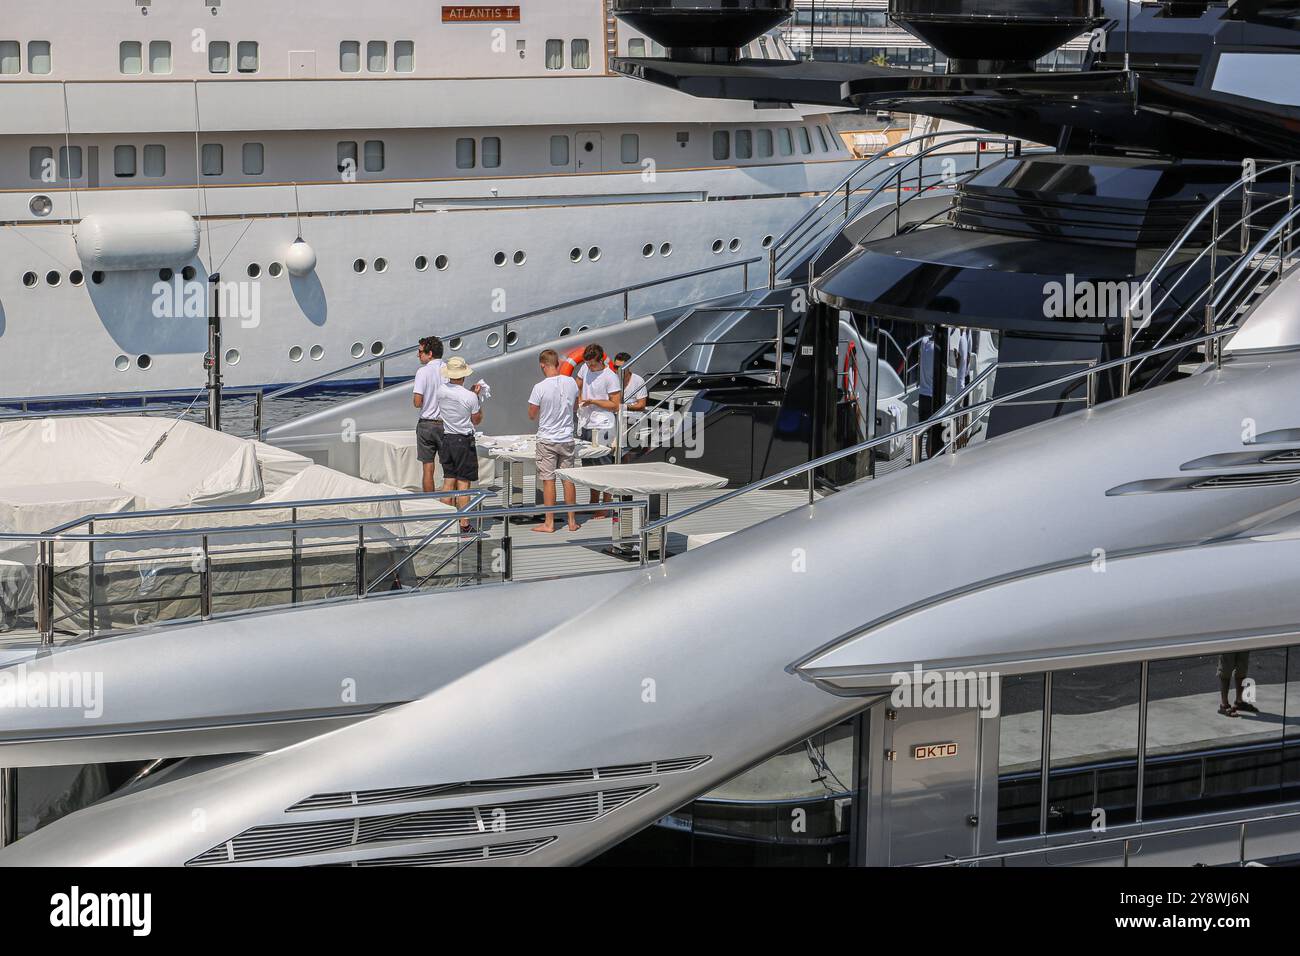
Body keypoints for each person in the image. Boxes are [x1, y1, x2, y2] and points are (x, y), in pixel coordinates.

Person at [528, 349, 581, 533]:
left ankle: (549, 523)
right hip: (566, 438)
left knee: (548, 480)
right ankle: (572, 521)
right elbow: (575, 406)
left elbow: (532, 415)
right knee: (568, 479)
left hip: (547, 439)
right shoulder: (571, 382)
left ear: (542, 365)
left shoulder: (539, 387)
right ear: (557, 363)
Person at [437, 356, 483, 533]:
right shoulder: (470, 396)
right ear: (463, 375)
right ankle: (464, 524)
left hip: (446, 438)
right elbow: (476, 419)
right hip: (462, 440)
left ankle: (444, 522)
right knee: (463, 484)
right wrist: (476, 397)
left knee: (448, 481)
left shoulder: (440, 390)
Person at [576, 343, 621, 517]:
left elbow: (615, 405)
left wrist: (593, 401)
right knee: (588, 465)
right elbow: (578, 384)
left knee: (604, 466)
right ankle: (593, 502)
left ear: (601, 360)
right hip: (587, 422)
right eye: (587, 364)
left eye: (593, 364)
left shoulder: (610, 377)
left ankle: (606, 504)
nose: (590, 367)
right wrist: (580, 398)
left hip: (603, 424)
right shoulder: (584, 368)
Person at [411, 336, 446, 493]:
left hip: (427, 424)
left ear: (429, 353)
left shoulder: (422, 372)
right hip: (446, 424)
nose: (418, 355)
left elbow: (417, 402)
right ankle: (451, 506)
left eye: (420, 352)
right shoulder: (448, 369)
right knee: (449, 471)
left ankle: (430, 505)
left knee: (428, 468)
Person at [1217, 652, 1257, 717]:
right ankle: (1224, 705)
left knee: (1242, 668)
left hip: (1243, 643)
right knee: (1225, 669)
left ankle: (1239, 702)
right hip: (1228, 643)